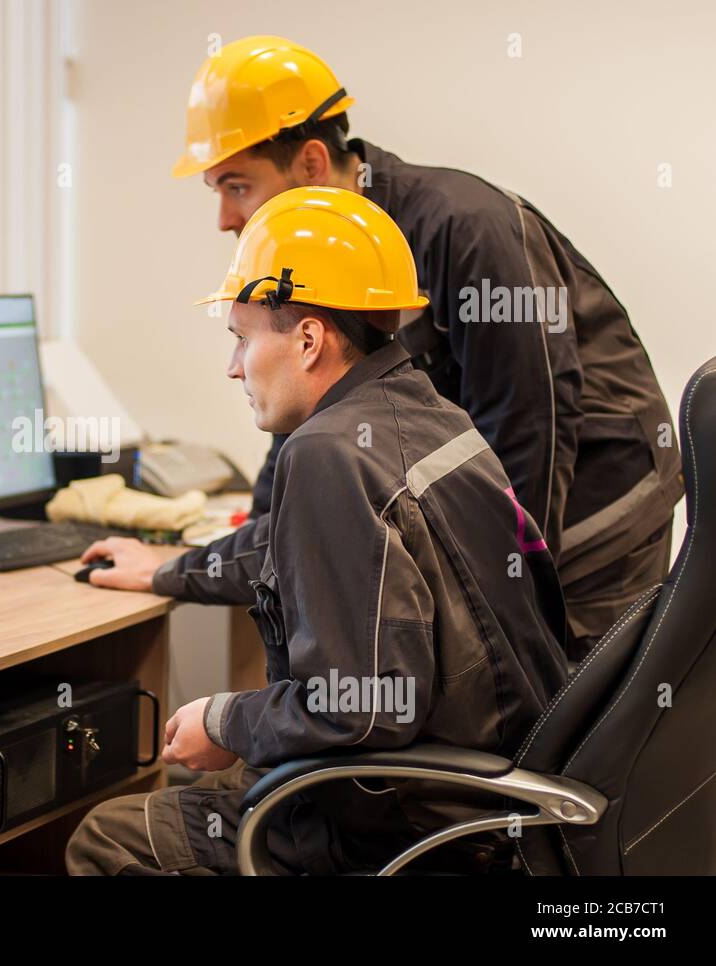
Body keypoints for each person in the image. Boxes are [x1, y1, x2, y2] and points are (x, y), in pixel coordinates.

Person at [83, 36, 681, 660]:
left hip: (598, 488)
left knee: (559, 716)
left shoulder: (463, 228)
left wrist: (510, 596)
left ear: (312, 164)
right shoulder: (324, 250)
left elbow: (530, 425)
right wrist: (238, 544)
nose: (226, 219)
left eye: (236, 186)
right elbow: (307, 410)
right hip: (514, 487)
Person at [66, 186, 568, 875]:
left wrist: (225, 720)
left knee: (109, 836)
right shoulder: (427, 418)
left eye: (242, 339)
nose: (233, 367)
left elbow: (362, 711)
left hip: (409, 826)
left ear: (307, 338)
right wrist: (166, 568)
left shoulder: (327, 452)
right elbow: (291, 548)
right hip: (490, 796)